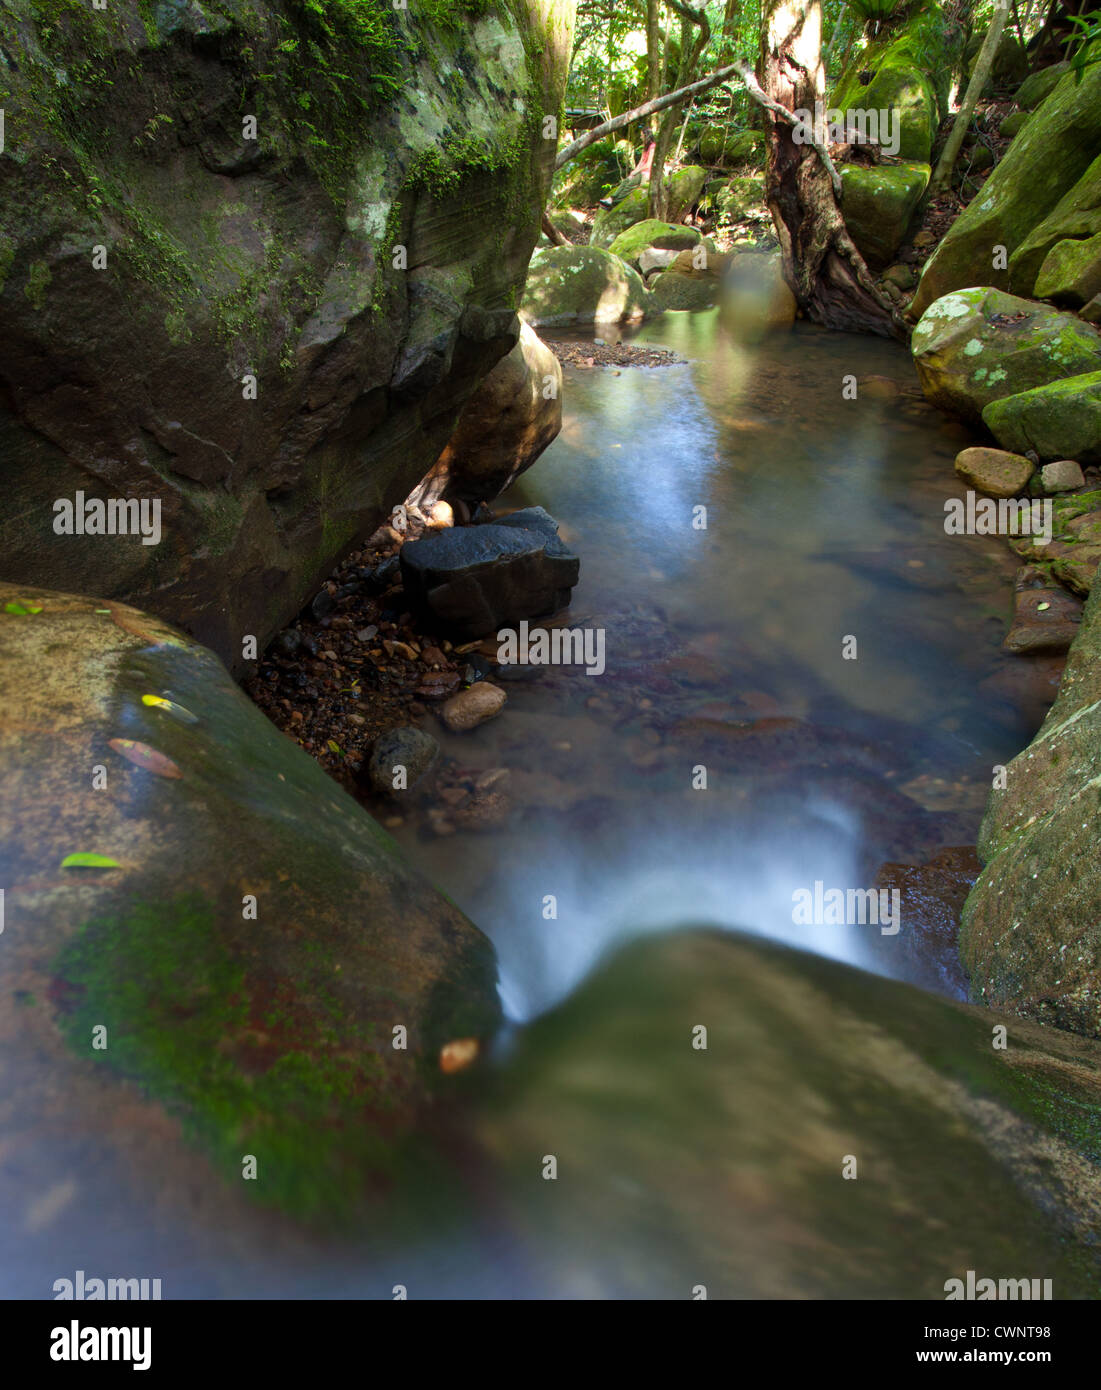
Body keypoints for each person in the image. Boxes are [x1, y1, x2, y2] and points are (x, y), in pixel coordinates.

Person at [598, 126, 657, 209]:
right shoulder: (645, 147)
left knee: (630, 185)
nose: (640, 137)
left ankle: (613, 203)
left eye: (641, 135)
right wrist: (633, 173)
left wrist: (636, 172)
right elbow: (641, 162)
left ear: (646, 135)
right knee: (626, 181)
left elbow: (648, 164)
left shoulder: (652, 147)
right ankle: (611, 199)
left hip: (646, 173)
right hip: (640, 172)